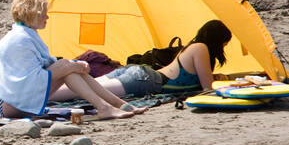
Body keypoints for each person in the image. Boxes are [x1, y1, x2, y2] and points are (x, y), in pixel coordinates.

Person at [0, 0, 141, 120]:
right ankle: (106, 107)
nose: (47, 18)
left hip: (17, 99)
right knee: (68, 68)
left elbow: (43, 69)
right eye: (44, 15)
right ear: (33, 14)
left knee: (69, 69)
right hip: (8, 104)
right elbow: (28, 78)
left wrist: (73, 66)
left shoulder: (25, 34)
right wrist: (75, 65)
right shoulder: (20, 38)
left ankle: (116, 105)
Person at [99, 21, 233, 98]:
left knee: (85, 86)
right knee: (87, 91)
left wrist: (214, 77)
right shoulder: (201, 48)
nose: (223, 49)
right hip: (146, 80)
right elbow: (207, 87)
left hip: (141, 74)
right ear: (217, 41)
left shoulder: (192, 47)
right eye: (224, 44)